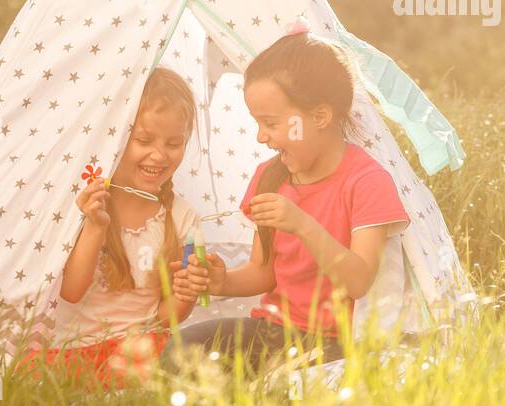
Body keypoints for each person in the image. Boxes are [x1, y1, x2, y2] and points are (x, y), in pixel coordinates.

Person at [164, 22, 409, 375]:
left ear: (320, 116)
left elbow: (358, 281)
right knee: (183, 349)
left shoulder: (367, 182)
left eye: (271, 123)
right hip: (273, 331)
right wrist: (222, 282)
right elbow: (263, 273)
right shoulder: (270, 176)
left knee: (305, 385)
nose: (262, 136)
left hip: (336, 343)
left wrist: (300, 223)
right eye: (257, 123)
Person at [17, 66, 199, 388]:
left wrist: (189, 292)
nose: (159, 155)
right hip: (77, 349)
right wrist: (95, 227)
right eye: (143, 140)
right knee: (27, 372)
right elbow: (71, 291)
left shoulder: (184, 218)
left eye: (174, 143)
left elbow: (166, 318)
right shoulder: (88, 202)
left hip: (141, 347)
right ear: (116, 136)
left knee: (182, 360)